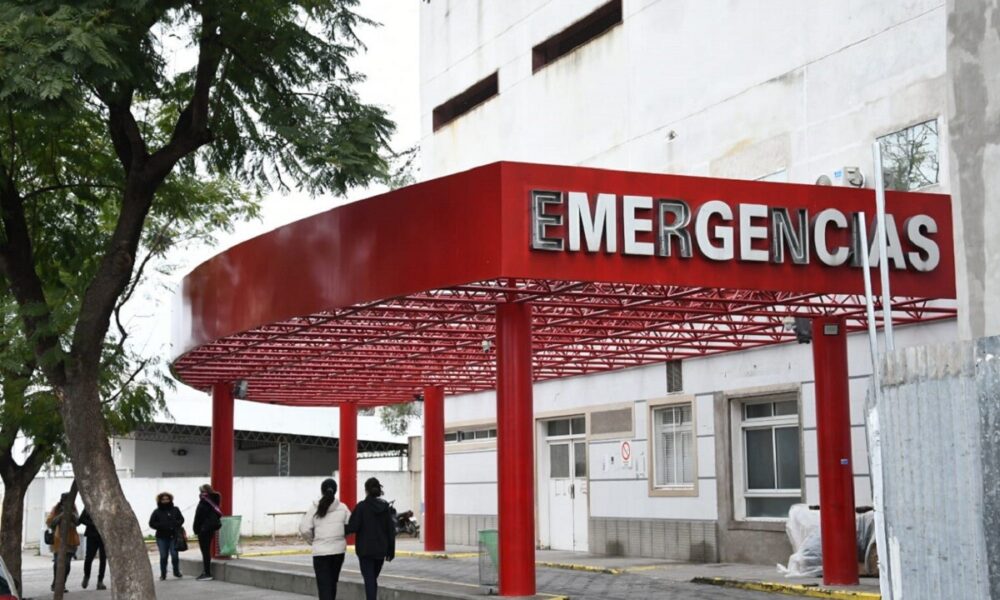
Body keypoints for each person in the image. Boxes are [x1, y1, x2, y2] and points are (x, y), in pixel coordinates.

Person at [299, 478, 350, 600]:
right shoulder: (343, 507)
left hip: (320, 553)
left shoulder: (315, 508)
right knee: (332, 583)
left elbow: (304, 528)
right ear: (335, 491)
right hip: (338, 552)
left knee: (323, 586)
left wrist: (313, 541)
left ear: (321, 491)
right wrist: (341, 538)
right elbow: (350, 525)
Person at [345, 477, 394, 600]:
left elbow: (353, 527)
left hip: (365, 551)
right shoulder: (385, 508)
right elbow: (390, 531)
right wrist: (390, 551)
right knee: (372, 579)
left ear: (366, 490)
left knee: (369, 579)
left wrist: (340, 528)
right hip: (380, 551)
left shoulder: (361, 507)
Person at [46, 496, 80, 592]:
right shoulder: (56, 509)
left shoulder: (74, 509)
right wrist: (61, 515)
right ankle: (55, 584)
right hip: (58, 541)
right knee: (57, 563)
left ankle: (62, 584)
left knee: (67, 564)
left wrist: (72, 514)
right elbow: (49, 523)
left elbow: (78, 522)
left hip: (71, 542)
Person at [149, 491, 185, 580]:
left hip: (174, 536)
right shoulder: (156, 512)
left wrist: (176, 524)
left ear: (170, 499)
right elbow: (151, 523)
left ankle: (176, 572)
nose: (165, 501)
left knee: (174, 555)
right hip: (161, 537)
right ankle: (163, 574)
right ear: (160, 500)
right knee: (163, 556)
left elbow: (181, 519)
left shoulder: (175, 509)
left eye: (167, 499)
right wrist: (161, 526)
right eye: (163, 499)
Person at [192, 483, 223, 581]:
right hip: (211, 528)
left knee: (205, 551)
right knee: (206, 550)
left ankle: (207, 573)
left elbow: (198, 517)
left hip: (203, 529)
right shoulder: (215, 500)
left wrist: (196, 529)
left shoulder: (204, 502)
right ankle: (206, 572)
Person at [79, 508, 107, 590]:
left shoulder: (106, 504)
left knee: (103, 559)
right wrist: (93, 524)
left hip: (104, 536)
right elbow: (81, 519)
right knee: (89, 558)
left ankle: (100, 581)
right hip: (91, 535)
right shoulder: (90, 505)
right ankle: (86, 576)